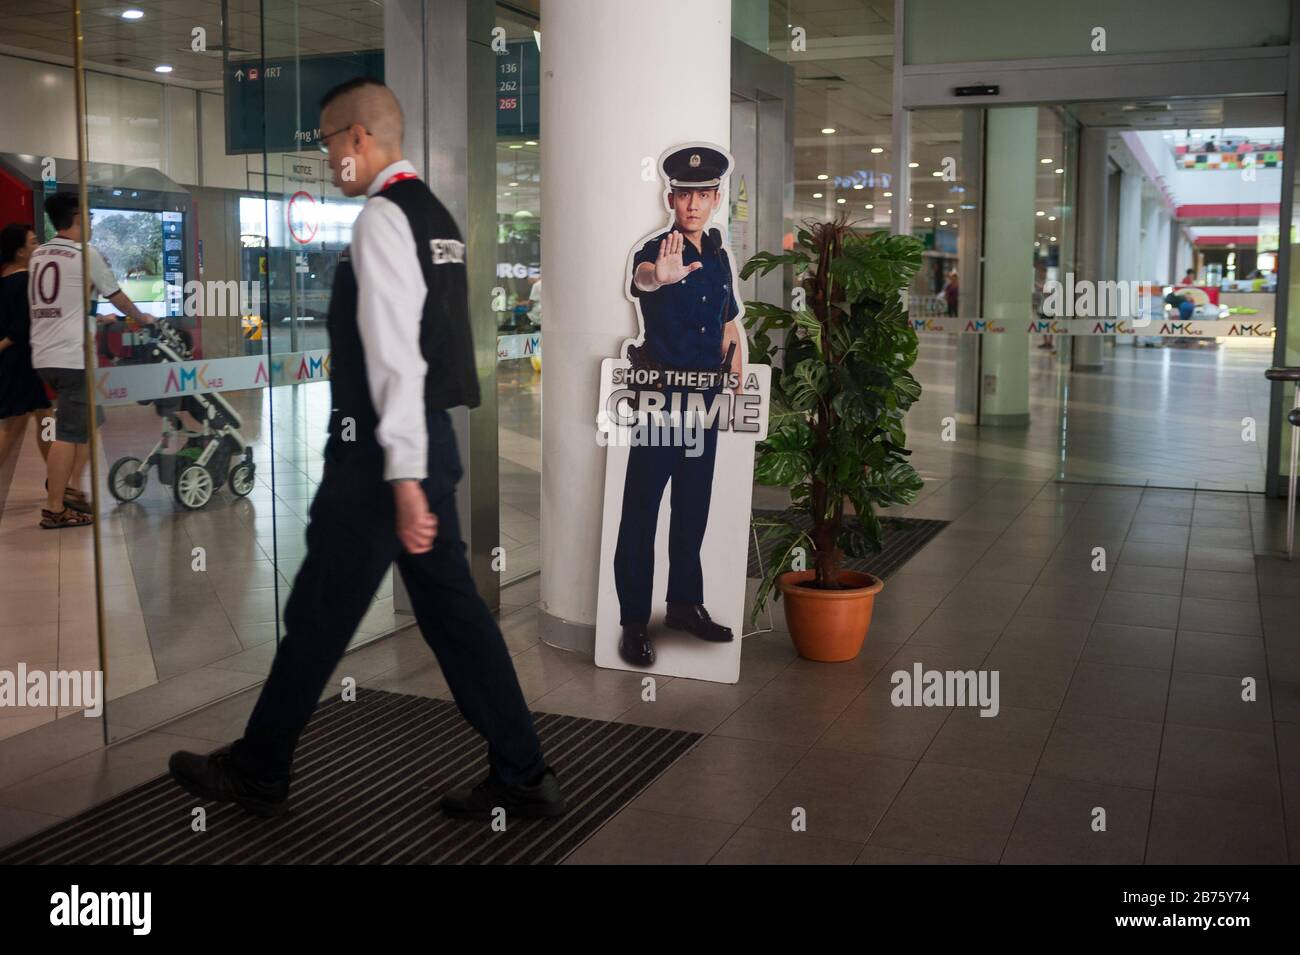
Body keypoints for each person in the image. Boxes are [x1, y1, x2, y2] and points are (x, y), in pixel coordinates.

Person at [168, 77, 565, 822]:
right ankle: (522, 769)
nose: (324, 160)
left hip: (381, 462)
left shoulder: (384, 218)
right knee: (455, 615)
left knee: (321, 610)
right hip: (422, 447)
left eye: (325, 142)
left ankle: (260, 766)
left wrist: (405, 479)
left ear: (359, 137)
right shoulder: (434, 215)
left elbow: (396, 358)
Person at [613, 145, 743, 667]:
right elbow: (641, 279)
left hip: (705, 399)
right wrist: (658, 277)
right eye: (684, 194)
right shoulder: (657, 248)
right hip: (662, 401)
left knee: (693, 507)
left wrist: (736, 371)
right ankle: (632, 623)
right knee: (642, 512)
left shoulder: (718, 255)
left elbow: (729, 320)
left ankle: (685, 605)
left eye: (703, 195)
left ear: (715, 200)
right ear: (671, 196)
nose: (692, 204)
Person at [28, 193, 154, 529]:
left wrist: (96, 320)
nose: (93, 223)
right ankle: (55, 507)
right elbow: (120, 298)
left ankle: (71, 491)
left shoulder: (40, 255)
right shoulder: (86, 254)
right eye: (90, 216)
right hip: (72, 358)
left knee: (90, 420)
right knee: (68, 433)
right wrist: (144, 319)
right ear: (76, 216)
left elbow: (61, 303)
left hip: (45, 353)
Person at [0, 223, 53, 476]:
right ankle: (58, 481)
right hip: (20, 363)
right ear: (21, 251)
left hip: (19, 364)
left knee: (44, 416)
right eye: (33, 242)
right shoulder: (25, 282)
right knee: (13, 427)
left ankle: (57, 479)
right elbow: (20, 328)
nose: (38, 246)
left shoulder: (5, 280)